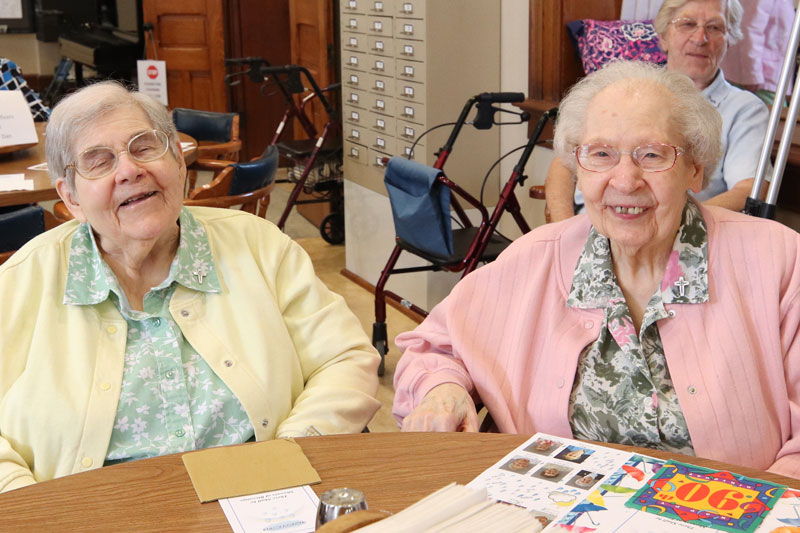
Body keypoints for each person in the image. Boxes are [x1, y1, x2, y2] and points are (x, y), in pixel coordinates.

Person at [392, 60, 800, 479]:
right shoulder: (534, 259)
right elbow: (435, 347)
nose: (625, 180)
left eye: (653, 155)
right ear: (577, 166)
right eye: (601, 154)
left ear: (694, 168)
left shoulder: (779, 262)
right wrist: (443, 389)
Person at [0, 81, 380, 492]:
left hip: (263, 499)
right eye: (99, 161)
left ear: (180, 164)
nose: (129, 170)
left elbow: (344, 359)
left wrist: (286, 458)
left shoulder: (259, 245)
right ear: (71, 198)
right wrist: (35, 508)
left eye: (145, 147)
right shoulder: (24, 280)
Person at [545, 0, 769, 221]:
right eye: (687, 24)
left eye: (714, 27)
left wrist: (675, 226)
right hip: (591, 224)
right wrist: (564, 230)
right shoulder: (623, 88)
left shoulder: (745, 109)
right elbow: (564, 162)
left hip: (677, 237)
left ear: (729, 41)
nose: (701, 39)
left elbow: (749, 189)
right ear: (663, 37)